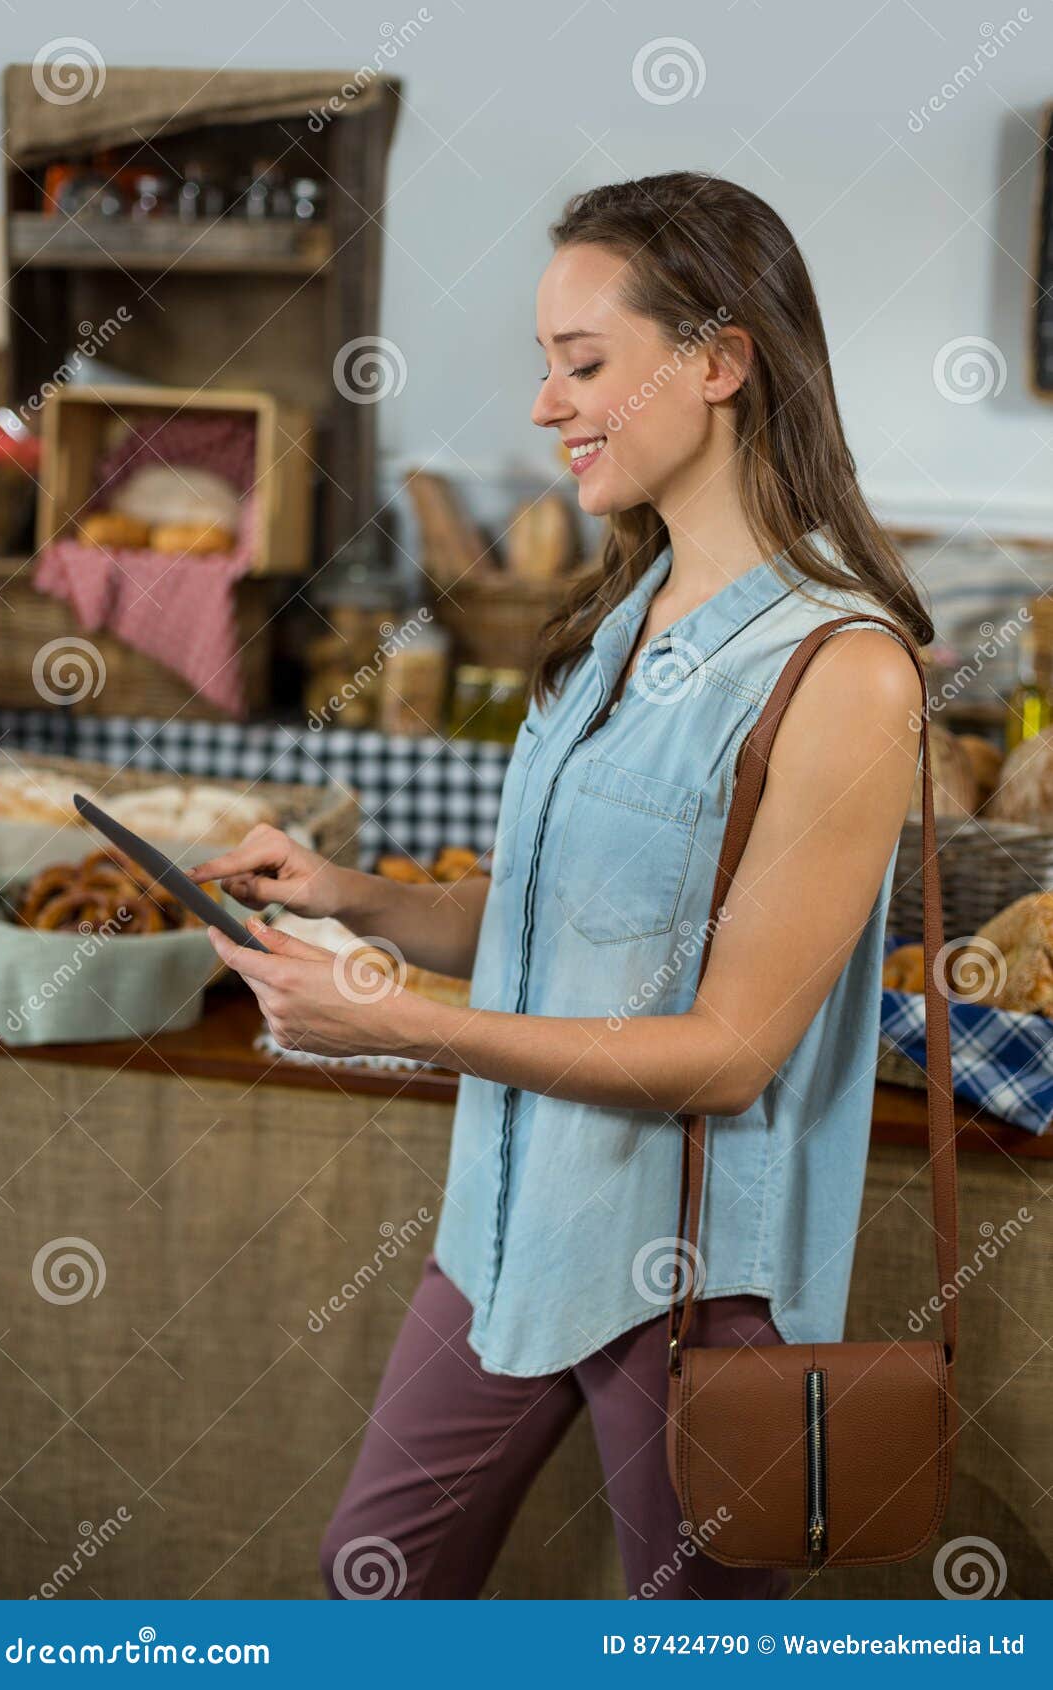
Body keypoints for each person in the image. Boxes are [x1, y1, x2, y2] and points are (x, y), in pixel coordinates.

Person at [191, 171, 929, 1600]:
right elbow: (569, 927)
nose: (546, 406)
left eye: (582, 365)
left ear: (718, 361)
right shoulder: (611, 624)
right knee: (372, 1587)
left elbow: (724, 1054)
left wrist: (400, 1016)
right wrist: (353, 896)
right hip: (504, 1230)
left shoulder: (844, 671)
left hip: (697, 1288)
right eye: (548, 367)